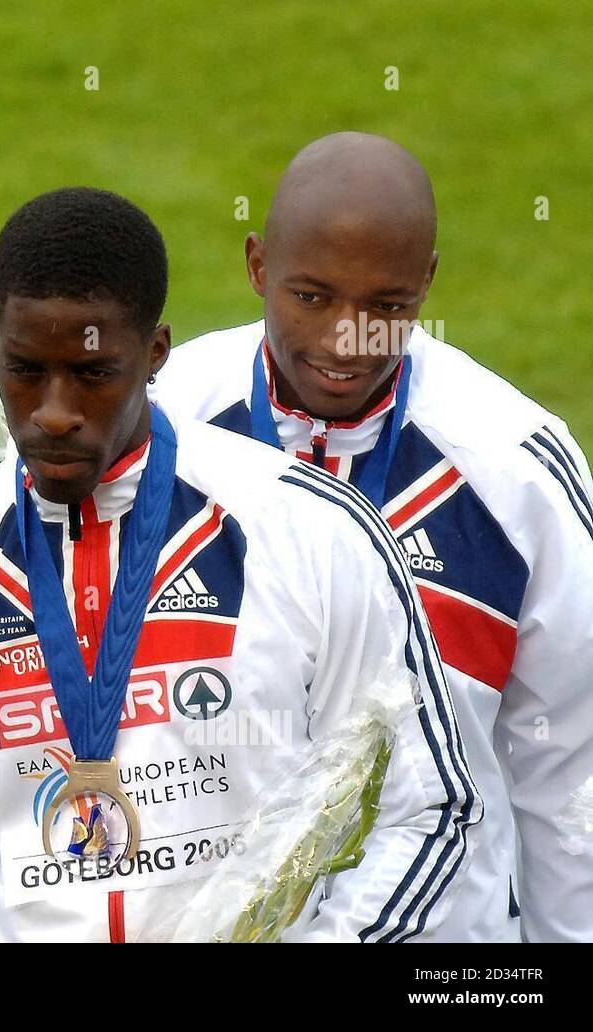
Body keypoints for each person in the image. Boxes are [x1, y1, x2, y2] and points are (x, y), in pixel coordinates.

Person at [0, 187, 478, 943]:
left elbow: (432, 806)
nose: (54, 411)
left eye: (93, 375)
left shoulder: (309, 535)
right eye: (27, 369)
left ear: (154, 353)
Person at [153, 132, 593, 942]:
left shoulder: (517, 471)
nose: (346, 340)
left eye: (386, 306)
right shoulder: (158, 429)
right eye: (312, 297)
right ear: (257, 266)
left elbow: (571, 769)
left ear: (427, 282)